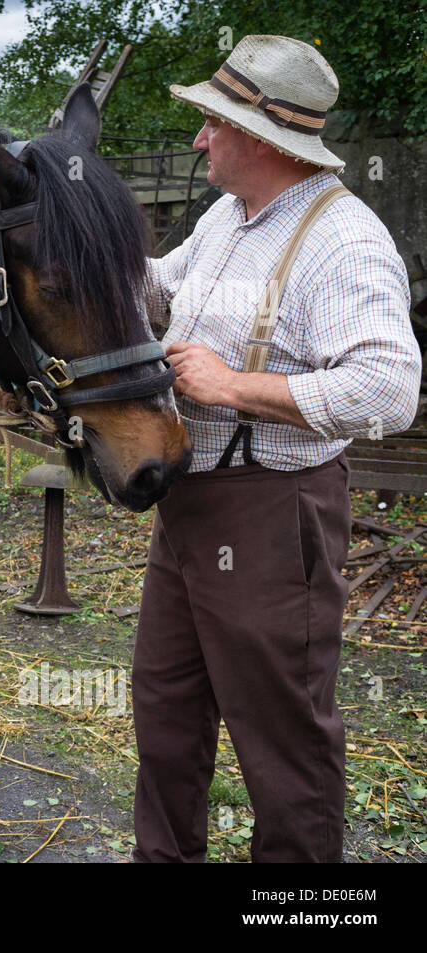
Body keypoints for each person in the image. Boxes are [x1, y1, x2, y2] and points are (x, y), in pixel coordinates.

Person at [136, 35, 422, 861]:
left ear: (258, 138)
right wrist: (90, 241)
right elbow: (161, 287)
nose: (198, 139)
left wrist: (231, 386)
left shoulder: (345, 243)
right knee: (164, 717)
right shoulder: (230, 217)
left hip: (273, 515)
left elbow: (387, 394)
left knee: (283, 747)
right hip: (189, 506)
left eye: (212, 125)